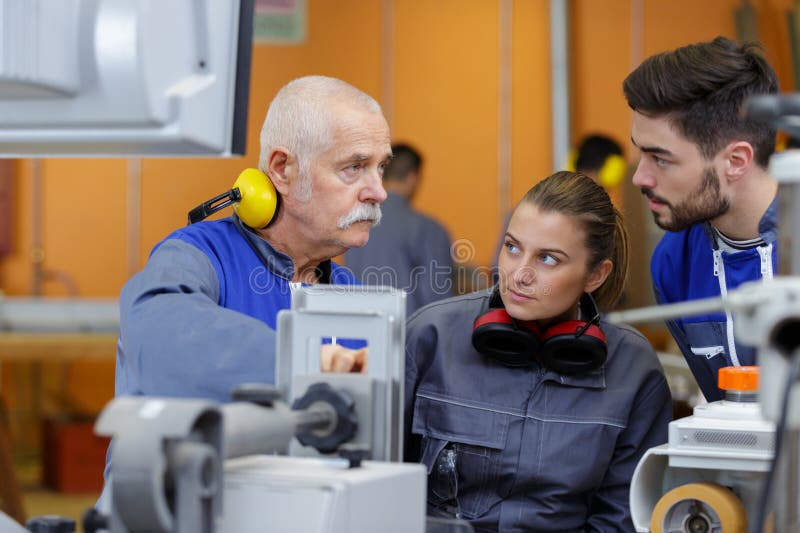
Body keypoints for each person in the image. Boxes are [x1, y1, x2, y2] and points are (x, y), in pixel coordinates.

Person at [404, 171, 672, 531]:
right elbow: (377, 487)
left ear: (595, 275)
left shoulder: (633, 371)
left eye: (548, 259)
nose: (519, 274)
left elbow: (623, 519)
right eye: (513, 247)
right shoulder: (430, 337)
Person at [114, 75, 391, 404]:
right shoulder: (198, 257)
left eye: (381, 167)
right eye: (355, 167)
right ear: (282, 169)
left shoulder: (354, 295)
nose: (379, 192)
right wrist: (303, 362)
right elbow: (159, 337)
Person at [623, 36, 779, 402]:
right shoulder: (672, 262)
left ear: (735, 161)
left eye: (660, 158)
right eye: (640, 154)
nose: (639, 178)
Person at [344, 143, 453, 315]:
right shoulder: (428, 230)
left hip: (357, 331)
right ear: (413, 177)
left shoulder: (355, 221)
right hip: (406, 335)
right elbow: (436, 300)